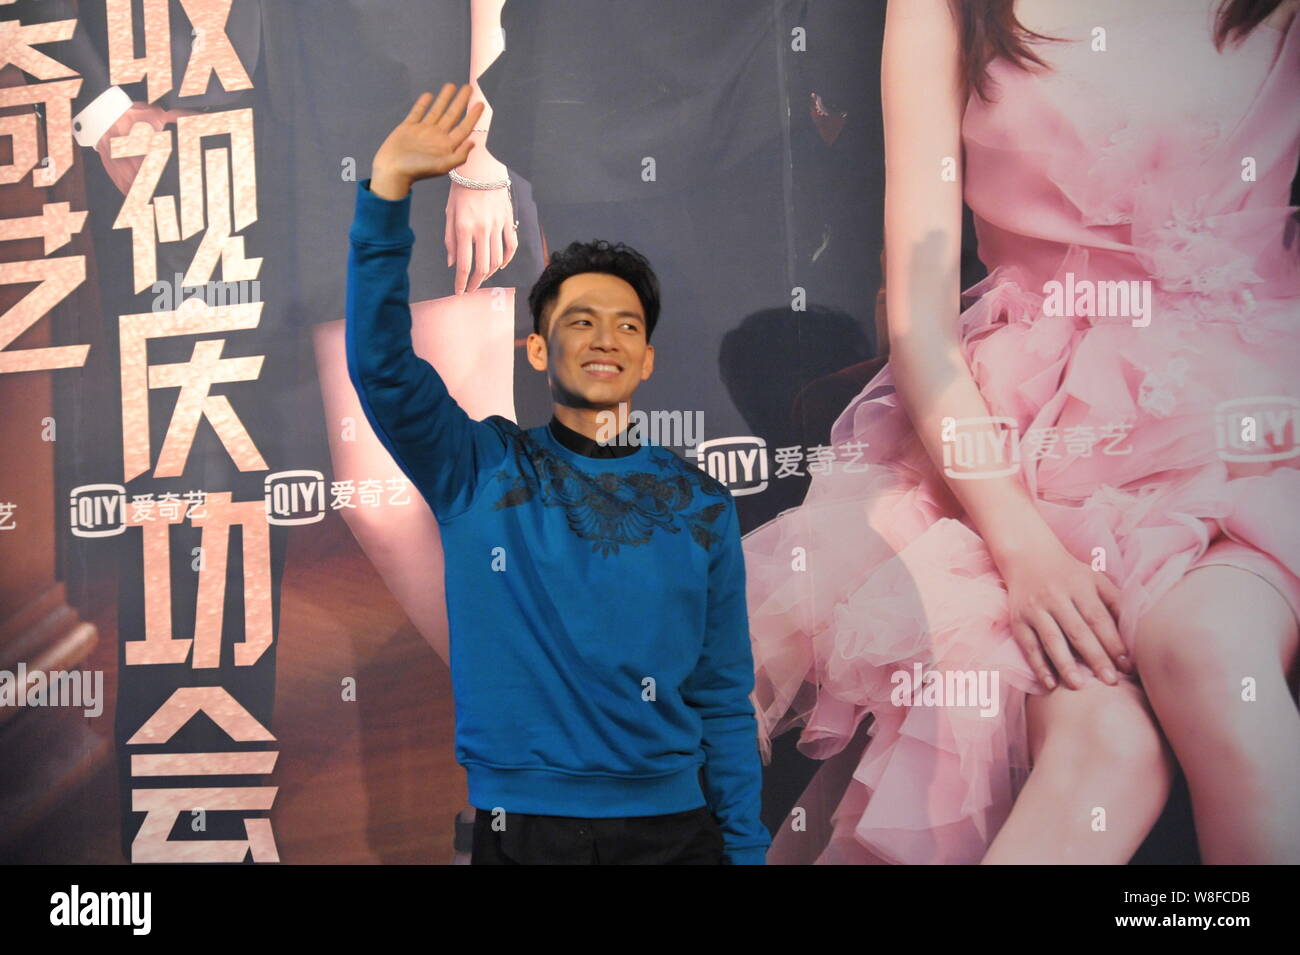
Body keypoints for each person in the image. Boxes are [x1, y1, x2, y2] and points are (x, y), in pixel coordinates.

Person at [742, 0, 1300, 864]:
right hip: (1013, 442)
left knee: (1214, 657)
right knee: (1101, 741)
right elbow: (921, 328)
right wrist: (1026, 550)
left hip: (1240, 427)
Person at [345, 84, 771, 864]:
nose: (604, 338)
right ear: (539, 350)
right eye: (579, 320)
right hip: (523, 832)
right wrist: (387, 194)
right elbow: (381, 365)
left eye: (626, 325)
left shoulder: (701, 504)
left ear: (646, 358)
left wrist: (744, 849)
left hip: (678, 835)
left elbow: (721, 697)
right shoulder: (479, 469)